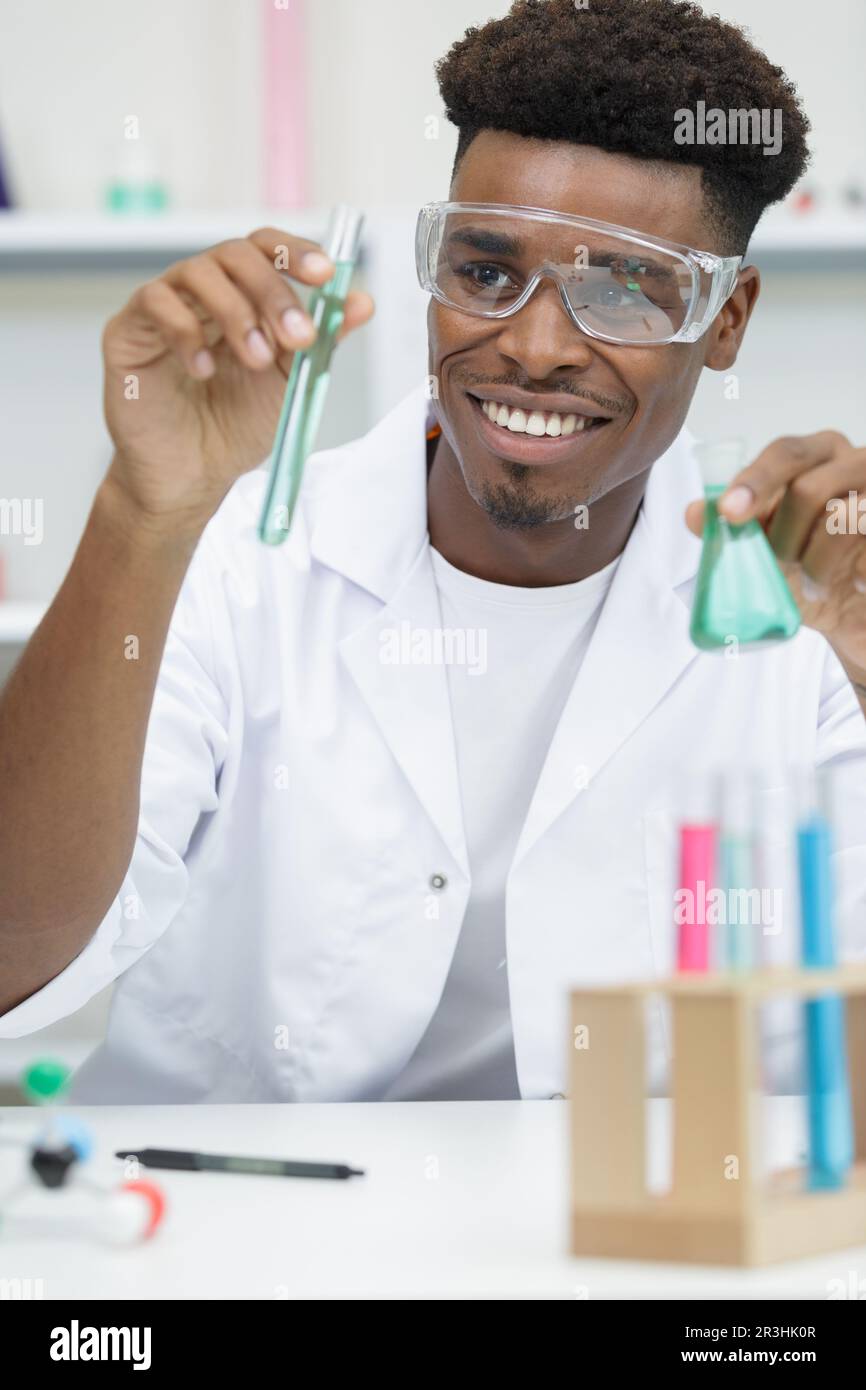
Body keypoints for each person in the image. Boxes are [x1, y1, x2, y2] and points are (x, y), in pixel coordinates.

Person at [1, 0, 864, 1103]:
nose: (535, 346)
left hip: (633, 1249)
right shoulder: (234, 555)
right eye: (486, 270)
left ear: (727, 317)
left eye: (622, 288)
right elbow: (12, 962)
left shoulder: (804, 618)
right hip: (233, 1237)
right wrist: (139, 513)